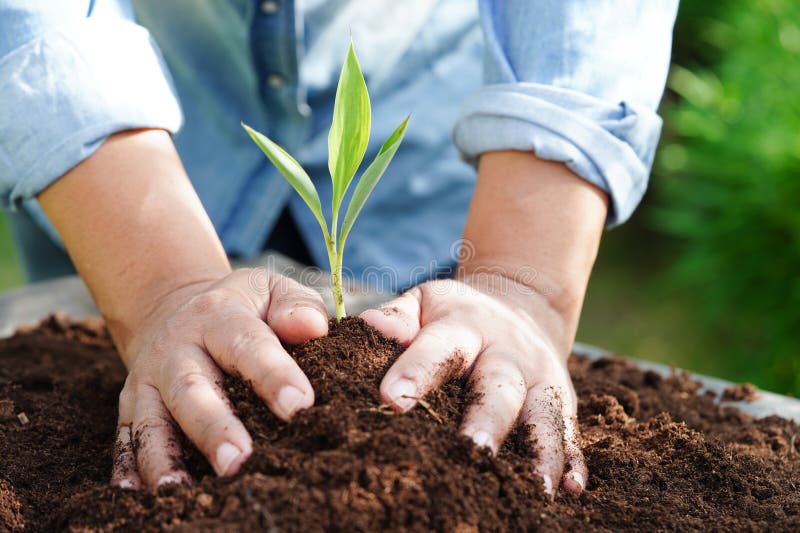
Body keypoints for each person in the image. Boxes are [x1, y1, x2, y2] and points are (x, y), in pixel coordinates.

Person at [0, 0, 678, 496]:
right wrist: (158, 291)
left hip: (457, 179)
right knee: (155, 379)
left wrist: (522, 287)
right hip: (126, 166)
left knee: (464, 368)